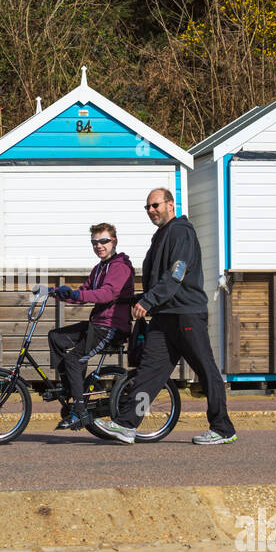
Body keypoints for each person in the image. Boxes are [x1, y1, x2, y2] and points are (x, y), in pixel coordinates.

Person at [93, 188, 238, 446]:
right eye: (147, 207)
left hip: (186, 314)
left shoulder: (181, 232)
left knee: (206, 370)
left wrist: (148, 300)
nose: (151, 211)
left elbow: (176, 273)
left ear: (171, 204)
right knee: (149, 372)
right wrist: (142, 298)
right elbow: (157, 277)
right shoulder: (161, 235)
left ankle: (223, 428)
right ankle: (127, 425)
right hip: (164, 315)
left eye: (155, 205)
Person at [45, 224, 134, 431]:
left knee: (73, 359)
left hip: (111, 326)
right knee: (55, 337)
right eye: (95, 242)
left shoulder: (120, 267)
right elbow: (85, 291)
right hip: (97, 324)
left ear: (114, 242)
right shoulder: (99, 268)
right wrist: (58, 293)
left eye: (103, 241)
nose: (99, 246)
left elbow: (106, 294)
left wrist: (78, 295)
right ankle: (72, 391)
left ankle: (80, 411)